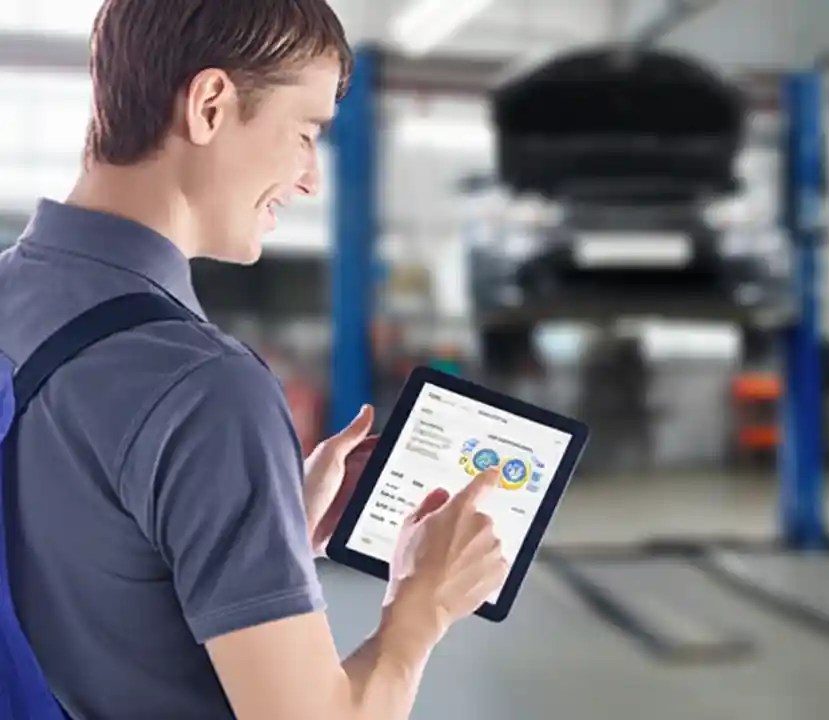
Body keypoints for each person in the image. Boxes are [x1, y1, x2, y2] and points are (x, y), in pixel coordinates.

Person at [0, 1, 507, 718]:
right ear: (210, 105)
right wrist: (420, 605)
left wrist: (272, 522)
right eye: (305, 133)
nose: (310, 179)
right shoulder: (204, 386)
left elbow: (69, 550)